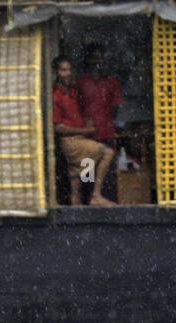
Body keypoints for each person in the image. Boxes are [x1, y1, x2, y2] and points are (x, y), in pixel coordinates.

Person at [52, 56, 115, 206]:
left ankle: (79, 202)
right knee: (107, 153)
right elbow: (58, 128)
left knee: (80, 172)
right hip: (71, 142)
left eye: (69, 70)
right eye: (63, 70)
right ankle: (96, 195)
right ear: (56, 72)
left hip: (82, 139)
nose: (67, 73)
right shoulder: (56, 95)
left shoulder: (73, 92)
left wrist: (87, 124)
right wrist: (85, 130)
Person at [75, 44, 123, 148]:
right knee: (88, 164)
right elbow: (76, 109)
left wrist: (102, 122)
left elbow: (115, 110)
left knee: (107, 162)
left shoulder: (113, 83)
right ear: (88, 60)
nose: (98, 62)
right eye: (94, 58)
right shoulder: (80, 83)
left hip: (107, 135)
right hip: (87, 135)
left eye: (101, 58)